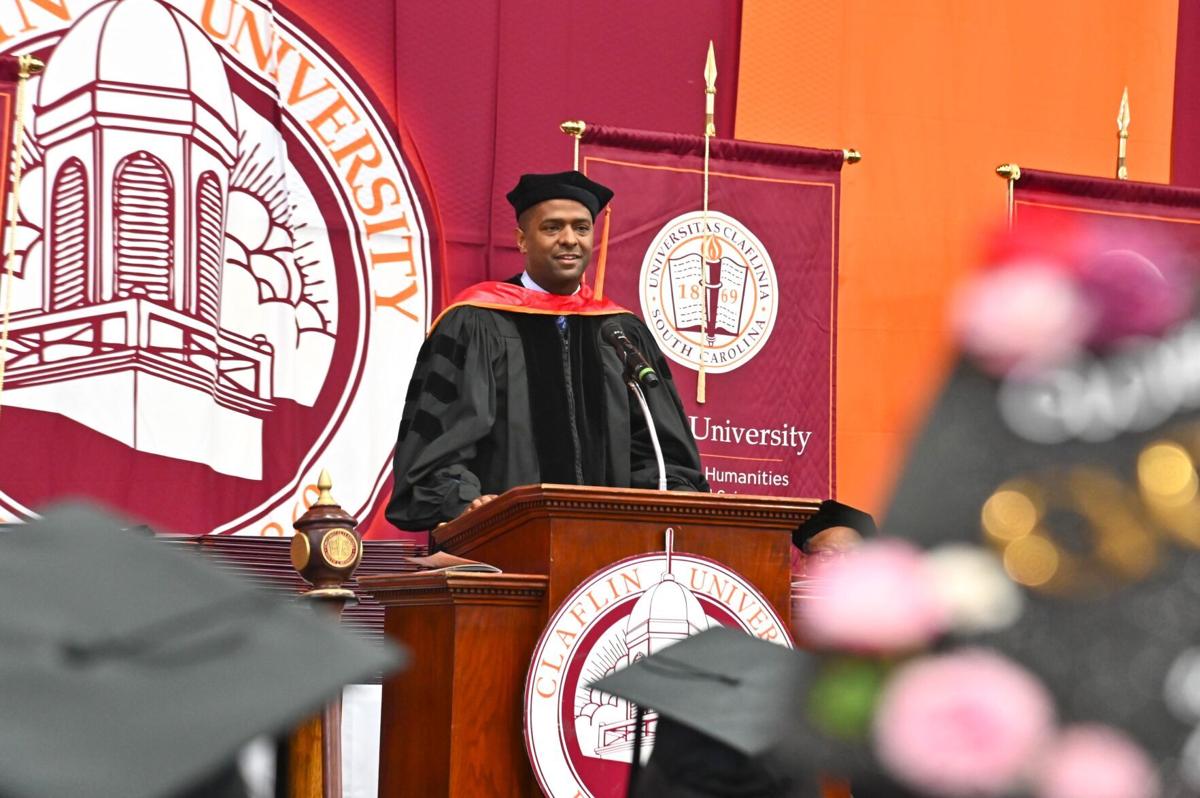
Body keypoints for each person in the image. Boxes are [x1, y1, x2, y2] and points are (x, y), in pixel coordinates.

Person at [387, 170, 708, 531]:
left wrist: (673, 494)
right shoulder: (476, 323)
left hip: (610, 551)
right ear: (523, 240)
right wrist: (463, 501)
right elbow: (439, 445)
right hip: (504, 544)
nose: (569, 240)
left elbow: (658, 451)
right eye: (553, 228)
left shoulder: (618, 331)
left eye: (582, 228)